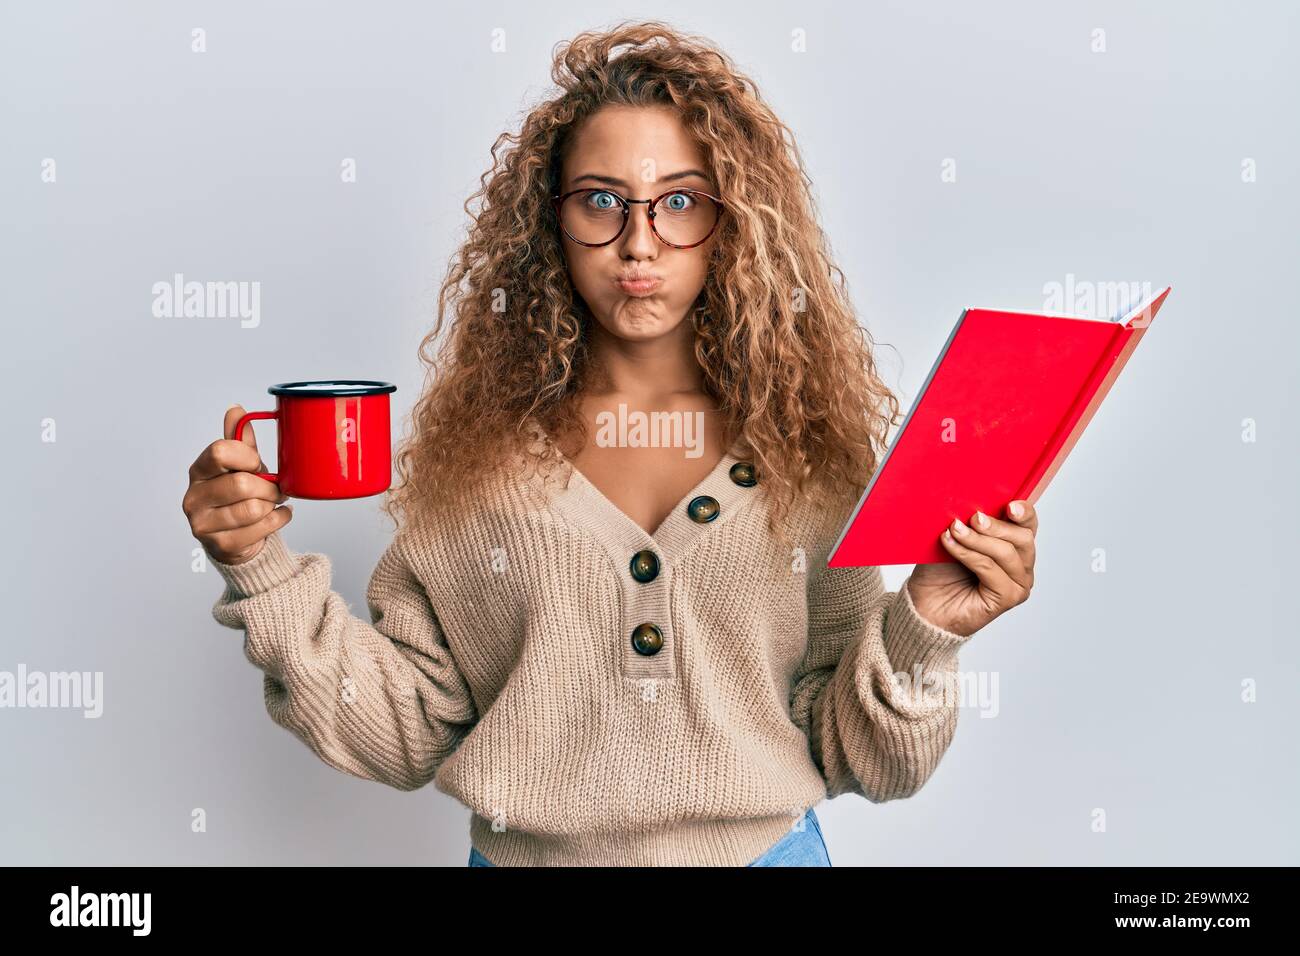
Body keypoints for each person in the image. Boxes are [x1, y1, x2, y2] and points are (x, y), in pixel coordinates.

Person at [181, 21, 1038, 867]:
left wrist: (926, 625)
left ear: (730, 221)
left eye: (679, 202)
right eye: (600, 200)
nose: (638, 242)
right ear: (546, 224)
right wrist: (259, 566)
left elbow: (865, 756)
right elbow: (407, 731)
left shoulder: (803, 459)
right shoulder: (476, 470)